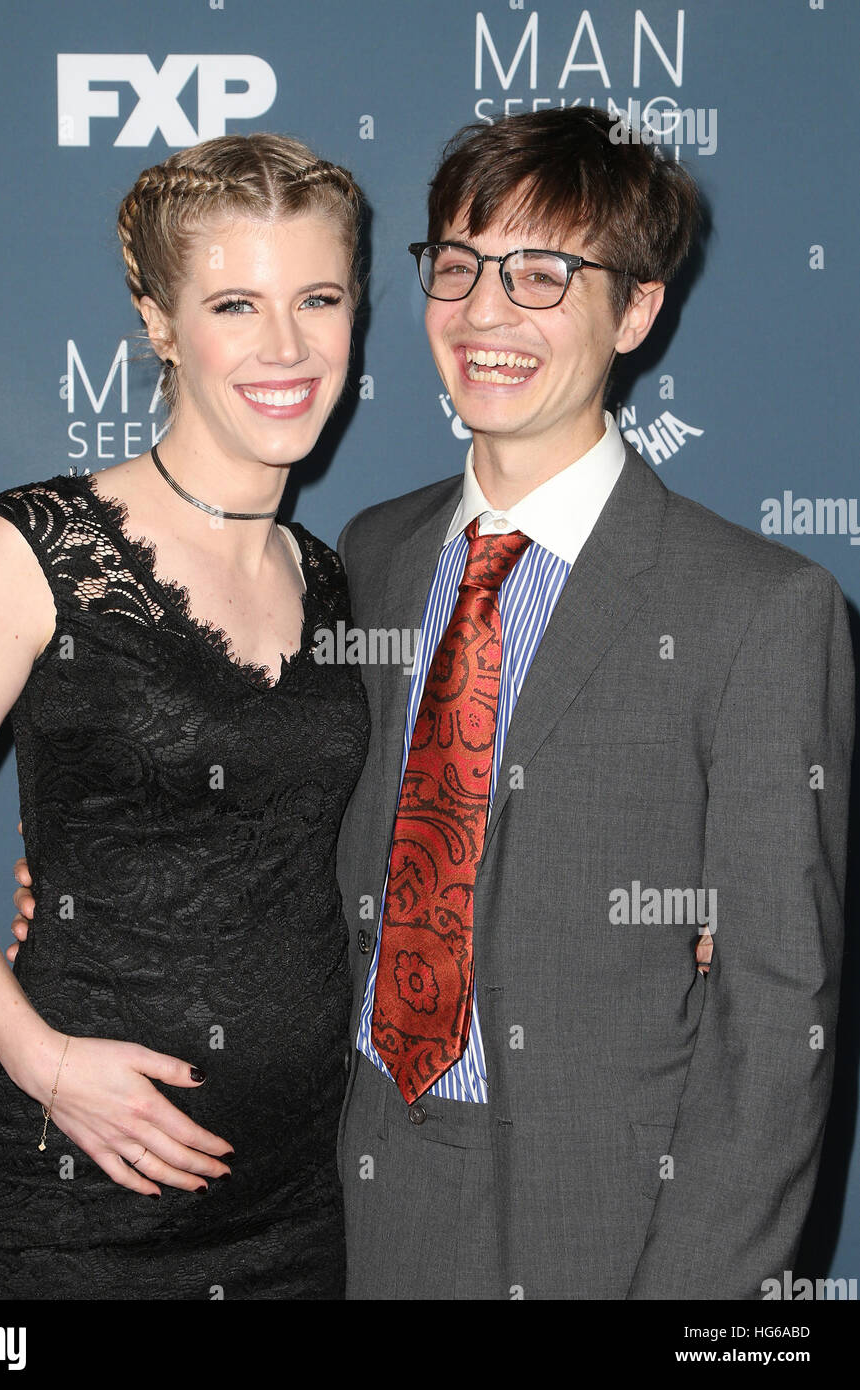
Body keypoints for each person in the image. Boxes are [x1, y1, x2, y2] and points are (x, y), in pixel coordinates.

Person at [331, 107, 853, 1299]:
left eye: (542, 273)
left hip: (612, 1226)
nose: (482, 313)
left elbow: (778, 1019)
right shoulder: (372, 555)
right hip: (358, 1196)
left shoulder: (762, 608)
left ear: (635, 310)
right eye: (455, 266)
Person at [0, 133, 369, 1300]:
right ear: (157, 321)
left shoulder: (342, 576)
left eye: (319, 298)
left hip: (301, 1197)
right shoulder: (40, 544)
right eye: (236, 304)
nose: (287, 346)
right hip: (78, 1194)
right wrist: (39, 1059)